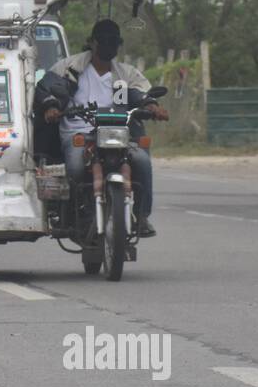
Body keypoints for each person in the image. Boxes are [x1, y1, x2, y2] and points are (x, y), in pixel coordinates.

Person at [36, 18, 168, 235]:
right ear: (92, 42)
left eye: (114, 41)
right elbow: (46, 88)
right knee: (76, 168)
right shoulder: (70, 68)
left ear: (119, 44)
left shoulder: (123, 75)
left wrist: (151, 105)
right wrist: (50, 105)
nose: (108, 45)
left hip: (117, 133)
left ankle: (142, 217)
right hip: (78, 132)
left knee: (142, 162)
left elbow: (135, 94)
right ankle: (69, 214)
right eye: (104, 40)